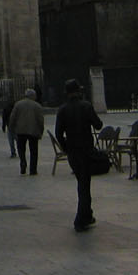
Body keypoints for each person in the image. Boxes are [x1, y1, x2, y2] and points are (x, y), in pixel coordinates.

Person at [55, 78, 103, 232]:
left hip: (73, 152)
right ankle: (80, 219)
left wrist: (66, 148)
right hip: (86, 150)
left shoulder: (62, 109)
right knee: (84, 184)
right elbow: (98, 125)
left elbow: (58, 133)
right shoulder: (86, 106)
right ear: (78, 91)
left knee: (82, 182)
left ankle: (87, 215)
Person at [9, 88, 45, 175]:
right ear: (32, 96)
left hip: (20, 130)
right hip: (33, 131)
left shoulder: (18, 104)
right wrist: (41, 131)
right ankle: (33, 169)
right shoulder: (37, 106)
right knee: (34, 151)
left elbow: (12, 117)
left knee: (21, 149)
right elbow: (41, 120)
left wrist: (12, 128)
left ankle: (23, 162)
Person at [0, 90, 16, 158]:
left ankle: (13, 152)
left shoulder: (6, 108)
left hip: (9, 125)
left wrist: (3, 126)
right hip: (16, 125)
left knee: (11, 140)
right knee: (18, 140)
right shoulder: (16, 107)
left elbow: (4, 118)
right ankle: (19, 151)